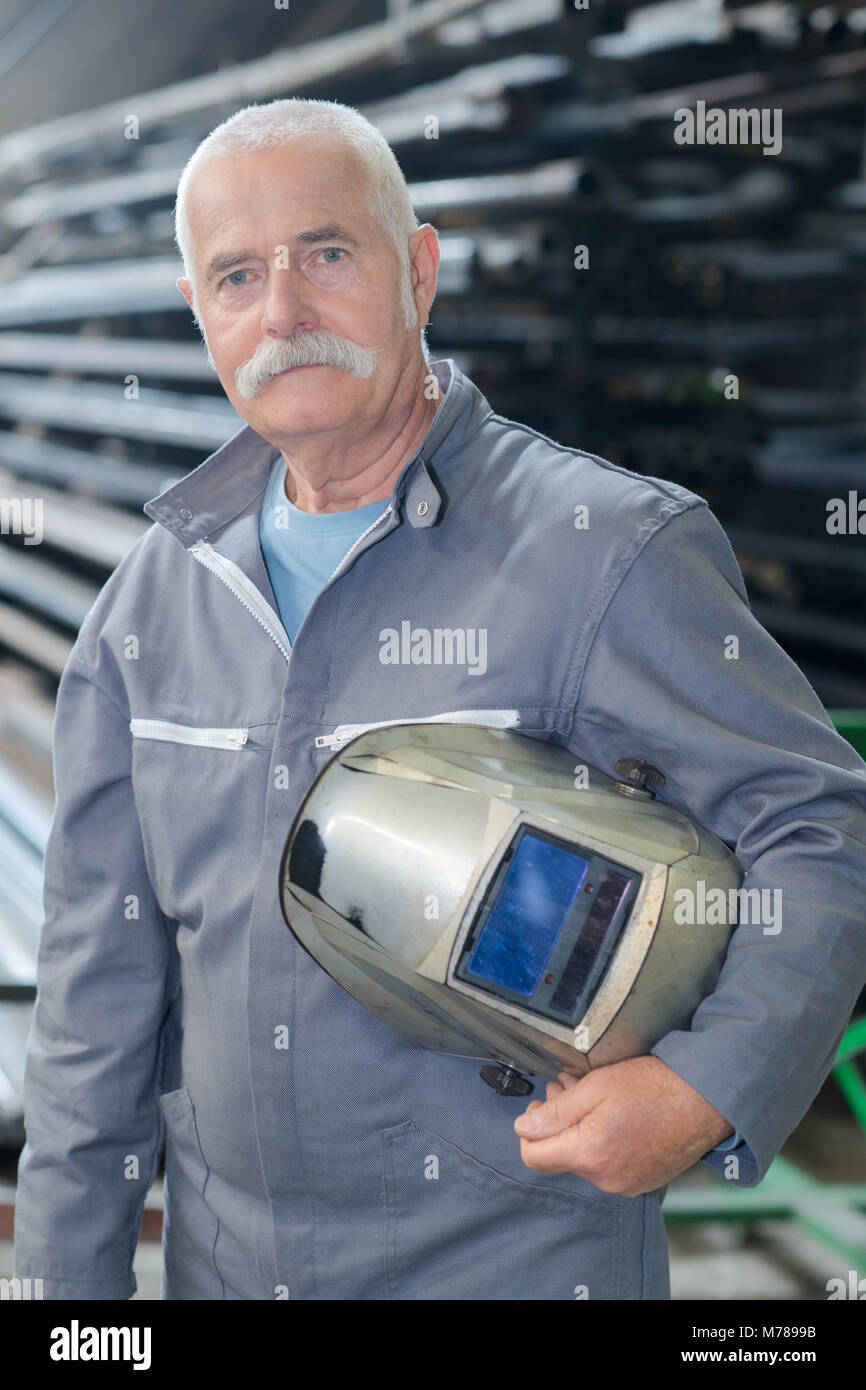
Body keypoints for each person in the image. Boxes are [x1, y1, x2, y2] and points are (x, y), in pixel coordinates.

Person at [13, 98, 866, 1301]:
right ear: (198, 311)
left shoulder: (601, 552)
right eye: (237, 275)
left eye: (325, 252)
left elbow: (821, 832)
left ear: (417, 271)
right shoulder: (151, 608)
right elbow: (92, 1021)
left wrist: (707, 1087)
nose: (285, 312)